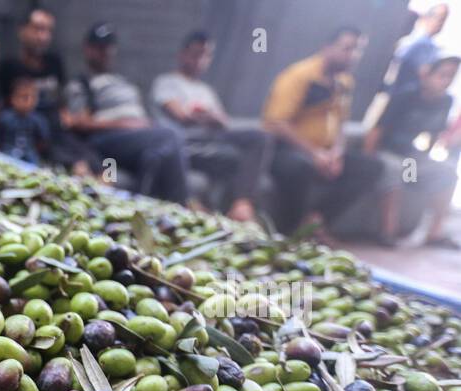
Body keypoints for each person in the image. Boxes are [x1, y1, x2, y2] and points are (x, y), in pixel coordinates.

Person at [263, 26, 391, 240]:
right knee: (299, 167)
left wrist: (336, 153)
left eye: (358, 50)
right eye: (347, 48)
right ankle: (293, 231)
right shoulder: (299, 75)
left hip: (324, 152)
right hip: (286, 150)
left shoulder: (345, 82)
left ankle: (316, 220)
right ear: (327, 47)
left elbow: (341, 123)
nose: (353, 55)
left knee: (371, 167)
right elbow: (276, 122)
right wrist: (314, 154)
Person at [152, 31, 271, 221]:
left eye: (205, 55)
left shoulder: (206, 91)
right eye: (196, 54)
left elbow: (223, 122)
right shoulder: (167, 82)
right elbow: (180, 115)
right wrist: (207, 116)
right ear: (183, 54)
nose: (200, 60)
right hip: (184, 144)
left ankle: (240, 206)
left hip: (213, 144)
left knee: (259, 138)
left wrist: (210, 117)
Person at [64, 23, 190, 203]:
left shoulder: (123, 82)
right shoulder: (81, 84)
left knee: (154, 155)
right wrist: (127, 124)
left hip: (137, 140)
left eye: (109, 47)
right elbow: (79, 123)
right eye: (100, 47)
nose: (106, 52)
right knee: (170, 135)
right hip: (107, 140)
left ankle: (143, 211)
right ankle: (183, 203)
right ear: (88, 49)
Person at [365, 53, 460, 247]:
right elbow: (377, 130)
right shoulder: (405, 96)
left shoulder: (445, 101)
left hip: (410, 156)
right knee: (395, 171)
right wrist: (368, 158)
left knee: (447, 173)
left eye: (451, 76)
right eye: (442, 75)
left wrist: (425, 158)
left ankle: (434, 233)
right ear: (428, 75)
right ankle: (388, 232)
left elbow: (433, 135)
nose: (446, 81)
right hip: (387, 152)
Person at [0, 7, 91, 176]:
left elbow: (62, 97)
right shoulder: (7, 68)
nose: (43, 37)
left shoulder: (55, 62)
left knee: (94, 163)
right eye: (38, 29)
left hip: (57, 131)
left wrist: (68, 113)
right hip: (26, 134)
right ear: (22, 31)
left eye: (48, 31)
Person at [390, 3, 450, 93]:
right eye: (439, 18)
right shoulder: (410, 40)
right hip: (395, 90)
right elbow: (397, 61)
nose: (440, 23)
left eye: (443, 20)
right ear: (427, 17)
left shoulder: (434, 49)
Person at [0, 76, 51, 165]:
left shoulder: (38, 119)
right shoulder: (5, 117)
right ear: (13, 99)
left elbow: (43, 141)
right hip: (7, 153)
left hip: (30, 154)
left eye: (33, 97)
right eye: (24, 97)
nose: (29, 101)